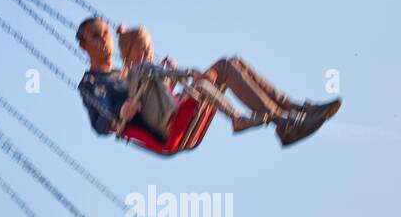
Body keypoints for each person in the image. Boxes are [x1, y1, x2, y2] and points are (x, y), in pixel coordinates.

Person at [78, 17, 341, 148]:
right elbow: (99, 123)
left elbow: (157, 90)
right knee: (200, 81)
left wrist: (172, 77)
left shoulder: (127, 72)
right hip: (163, 126)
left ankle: (293, 110)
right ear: (83, 45)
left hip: (172, 109)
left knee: (229, 64)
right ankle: (282, 122)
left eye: (105, 34)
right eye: (95, 36)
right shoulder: (92, 82)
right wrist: (117, 115)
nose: (104, 40)